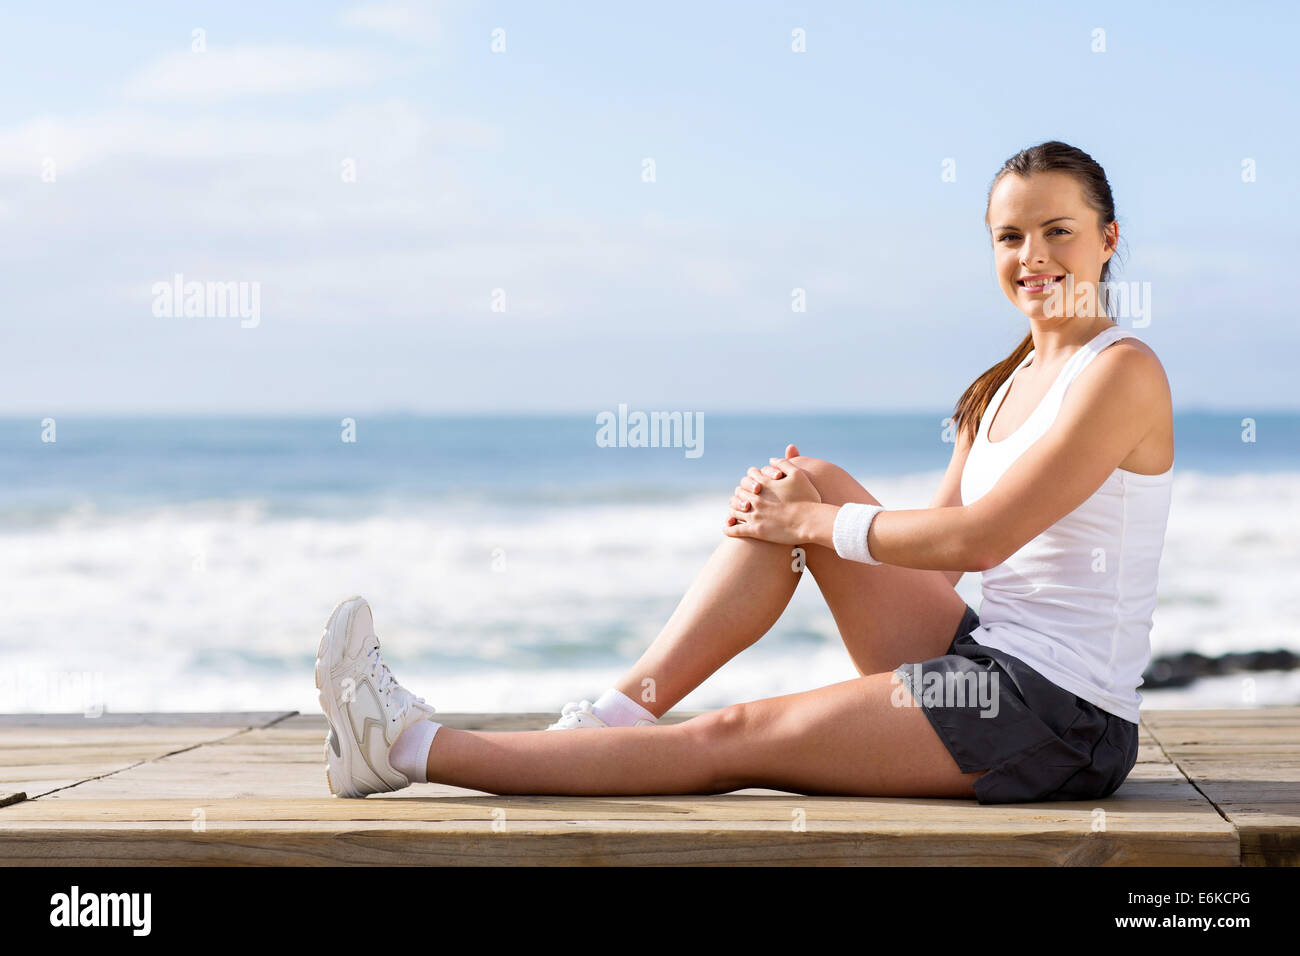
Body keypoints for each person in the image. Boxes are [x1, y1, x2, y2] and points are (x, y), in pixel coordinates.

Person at [315, 140, 1174, 804]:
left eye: (1058, 231)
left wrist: (812, 526)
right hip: (988, 658)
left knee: (736, 735)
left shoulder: (1120, 371)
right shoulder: (1004, 382)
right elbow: (938, 560)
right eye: (1010, 235)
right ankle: (608, 718)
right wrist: (794, 511)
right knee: (813, 479)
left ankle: (403, 749)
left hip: (1061, 721)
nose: (1034, 255)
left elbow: (983, 540)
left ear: (1107, 240)